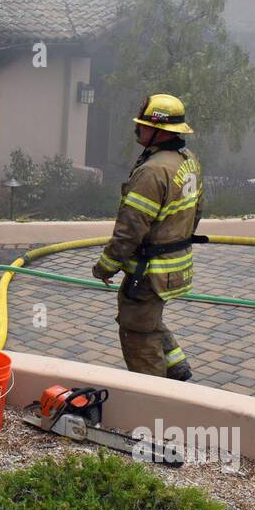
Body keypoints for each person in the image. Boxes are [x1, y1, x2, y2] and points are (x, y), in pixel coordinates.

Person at [91, 93, 204, 381]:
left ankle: (155, 397)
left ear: (160, 130)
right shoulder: (187, 160)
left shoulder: (153, 171)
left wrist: (105, 266)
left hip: (150, 272)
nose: (136, 130)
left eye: (142, 125)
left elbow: (130, 228)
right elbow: (197, 209)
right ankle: (176, 366)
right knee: (149, 318)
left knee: (136, 330)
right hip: (174, 265)